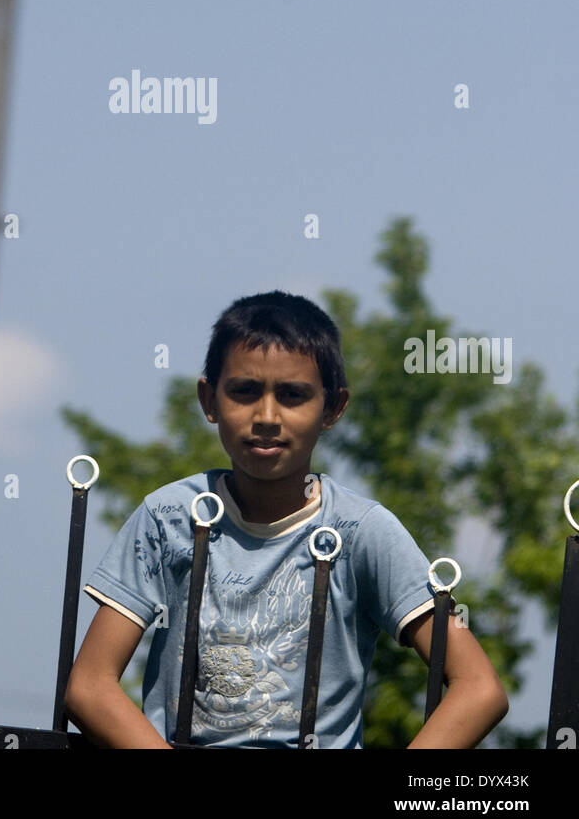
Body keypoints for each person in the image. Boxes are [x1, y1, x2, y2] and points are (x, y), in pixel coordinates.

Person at [64, 290, 509, 749]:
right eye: (244, 391)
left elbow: (479, 689)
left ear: (333, 408)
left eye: (293, 395)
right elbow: (89, 687)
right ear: (208, 399)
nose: (267, 417)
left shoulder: (361, 532)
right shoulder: (170, 517)